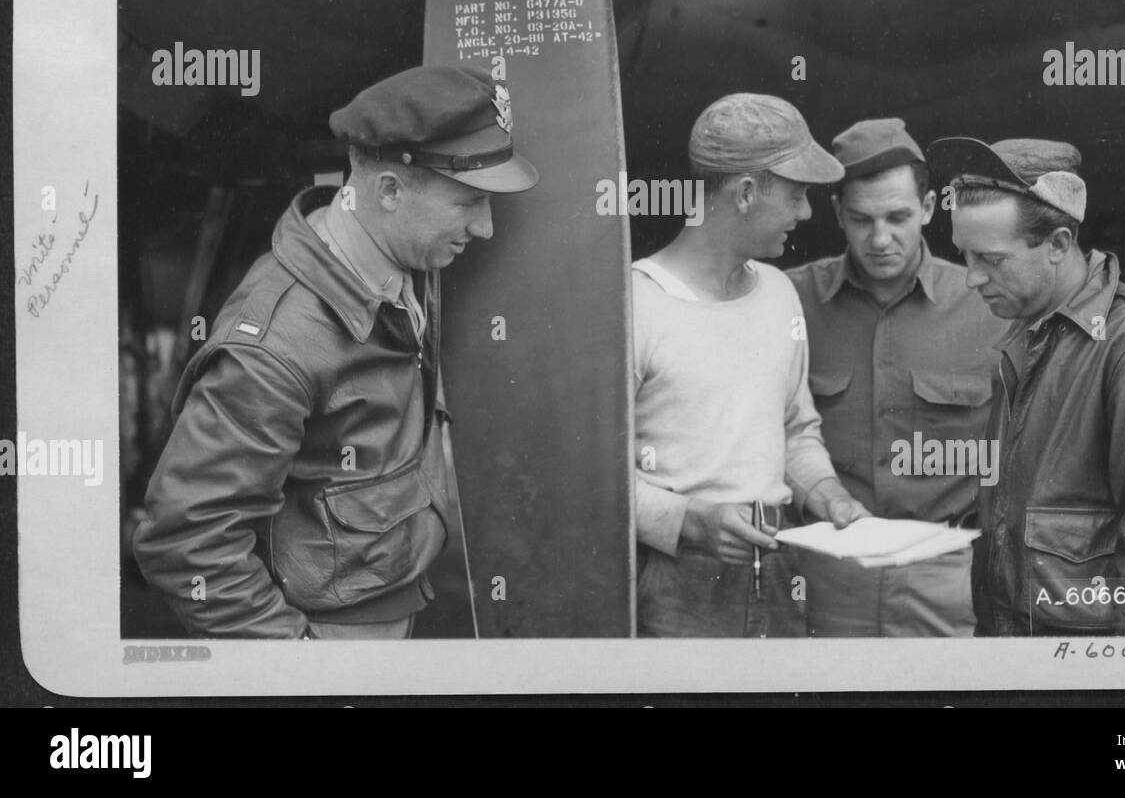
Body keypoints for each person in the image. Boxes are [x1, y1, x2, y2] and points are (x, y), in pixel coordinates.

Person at [133, 65, 538, 639]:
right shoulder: (276, 347)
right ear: (389, 191)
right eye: (469, 202)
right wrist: (304, 671)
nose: (487, 227)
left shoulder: (396, 253)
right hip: (330, 640)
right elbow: (185, 540)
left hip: (391, 605)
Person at [928, 136, 1125, 636]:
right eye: (964, 256)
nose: (971, 279)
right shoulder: (1024, 330)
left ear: (1057, 244)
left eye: (992, 259)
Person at [633, 93, 869, 638]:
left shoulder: (779, 294)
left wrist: (827, 494)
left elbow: (794, 431)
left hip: (777, 564)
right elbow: (593, 480)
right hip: (674, 583)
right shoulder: (634, 304)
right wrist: (692, 520)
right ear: (745, 193)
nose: (807, 213)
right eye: (797, 196)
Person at [786, 119, 1004, 637]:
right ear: (837, 212)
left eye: (898, 217)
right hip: (822, 578)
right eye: (861, 219)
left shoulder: (989, 305)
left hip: (948, 579)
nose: (880, 239)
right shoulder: (787, 301)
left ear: (929, 209)